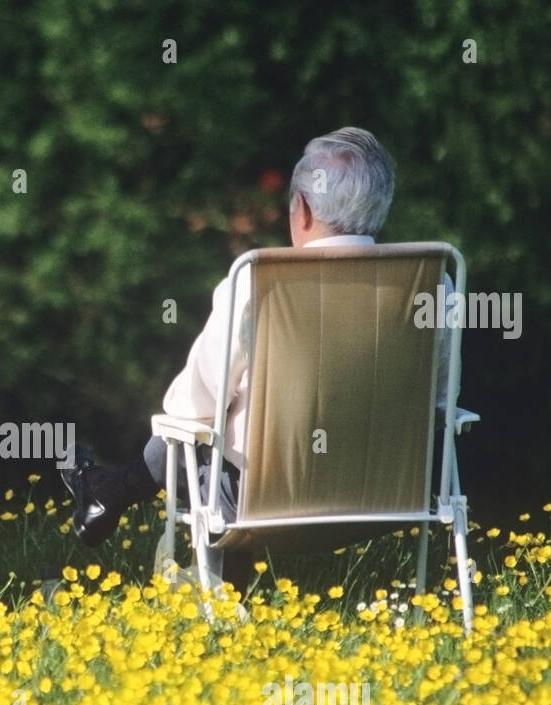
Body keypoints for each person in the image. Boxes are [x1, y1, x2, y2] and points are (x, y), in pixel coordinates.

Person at [61, 127, 455, 594]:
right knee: (232, 420)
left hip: (260, 504)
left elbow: (190, 408)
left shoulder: (258, 283)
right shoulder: (433, 287)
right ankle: (109, 491)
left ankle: (120, 501)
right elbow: (440, 399)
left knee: (196, 435)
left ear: (303, 209)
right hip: (391, 500)